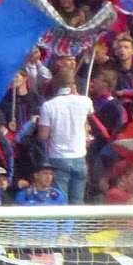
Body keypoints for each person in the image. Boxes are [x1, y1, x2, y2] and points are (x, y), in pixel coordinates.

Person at [38, 70, 93, 206]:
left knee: (60, 202)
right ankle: (77, 227)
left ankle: (63, 228)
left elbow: (43, 135)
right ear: (73, 85)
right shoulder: (85, 101)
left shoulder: (48, 106)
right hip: (79, 157)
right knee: (78, 202)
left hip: (58, 157)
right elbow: (90, 115)